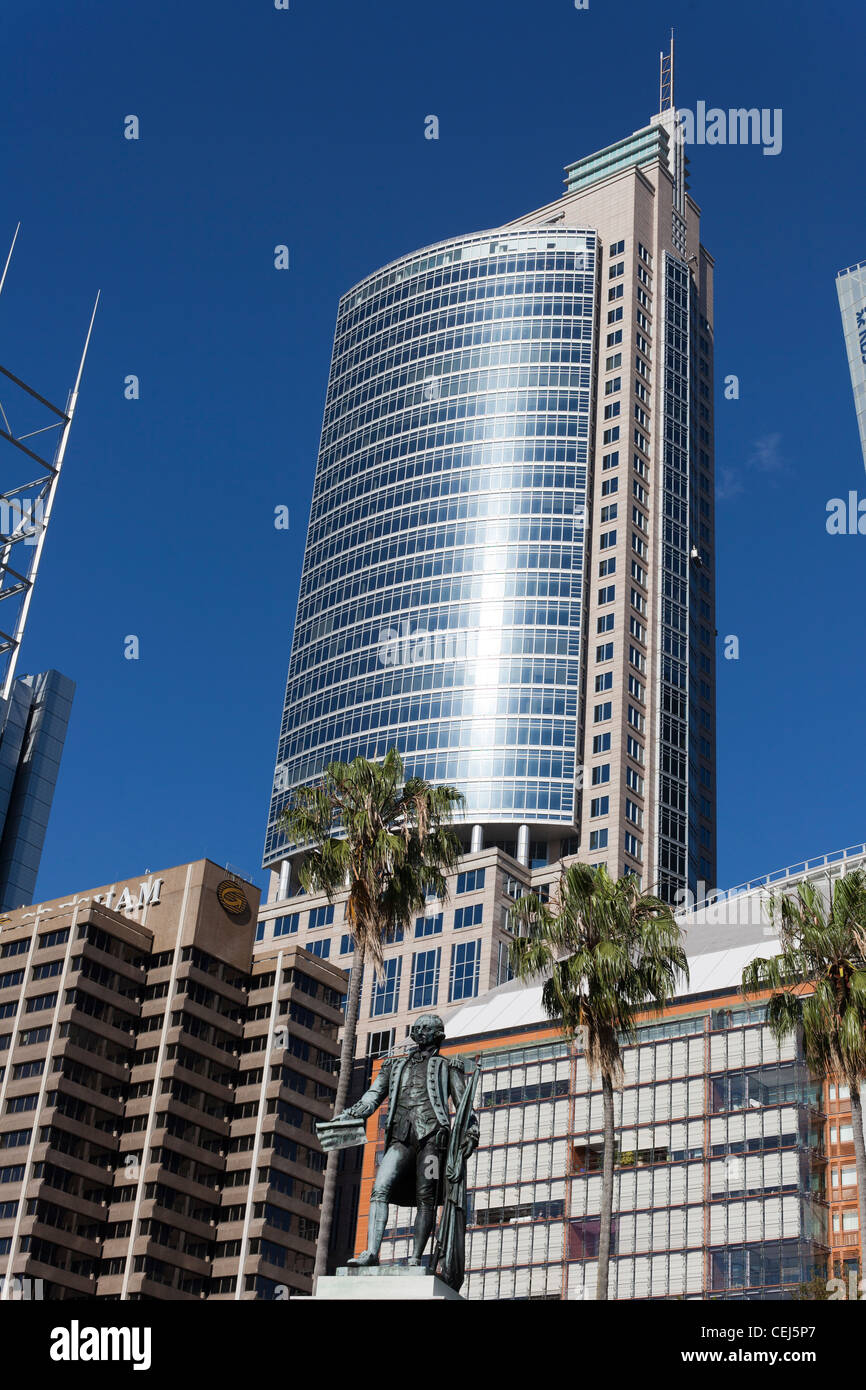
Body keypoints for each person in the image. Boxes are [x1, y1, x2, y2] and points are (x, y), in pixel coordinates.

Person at [336, 1013, 479, 1269]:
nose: (420, 1031)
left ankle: (415, 1258)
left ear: (438, 1036)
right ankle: (371, 1252)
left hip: (433, 1141)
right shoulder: (393, 1067)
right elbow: (371, 1098)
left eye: (426, 1028)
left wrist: (471, 1133)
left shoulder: (447, 1067)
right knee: (380, 1188)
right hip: (400, 1138)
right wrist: (349, 1114)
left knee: (427, 1196)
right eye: (418, 1027)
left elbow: (464, 1105)